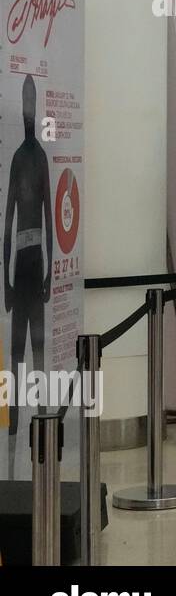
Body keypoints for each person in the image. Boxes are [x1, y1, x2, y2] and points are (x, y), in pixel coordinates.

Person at [3, 75, 49, 456]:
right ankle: (14, 418)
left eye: (33, 100)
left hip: (34, 265)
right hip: (21, 265)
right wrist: (5, 280)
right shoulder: (19, 158)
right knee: (17, 348)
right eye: (26, 101)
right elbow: (7, 221)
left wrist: (50, 269)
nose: (29, 109)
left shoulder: (38, 158)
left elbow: (49, 214)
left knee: (39, 345)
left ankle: (43, 413)